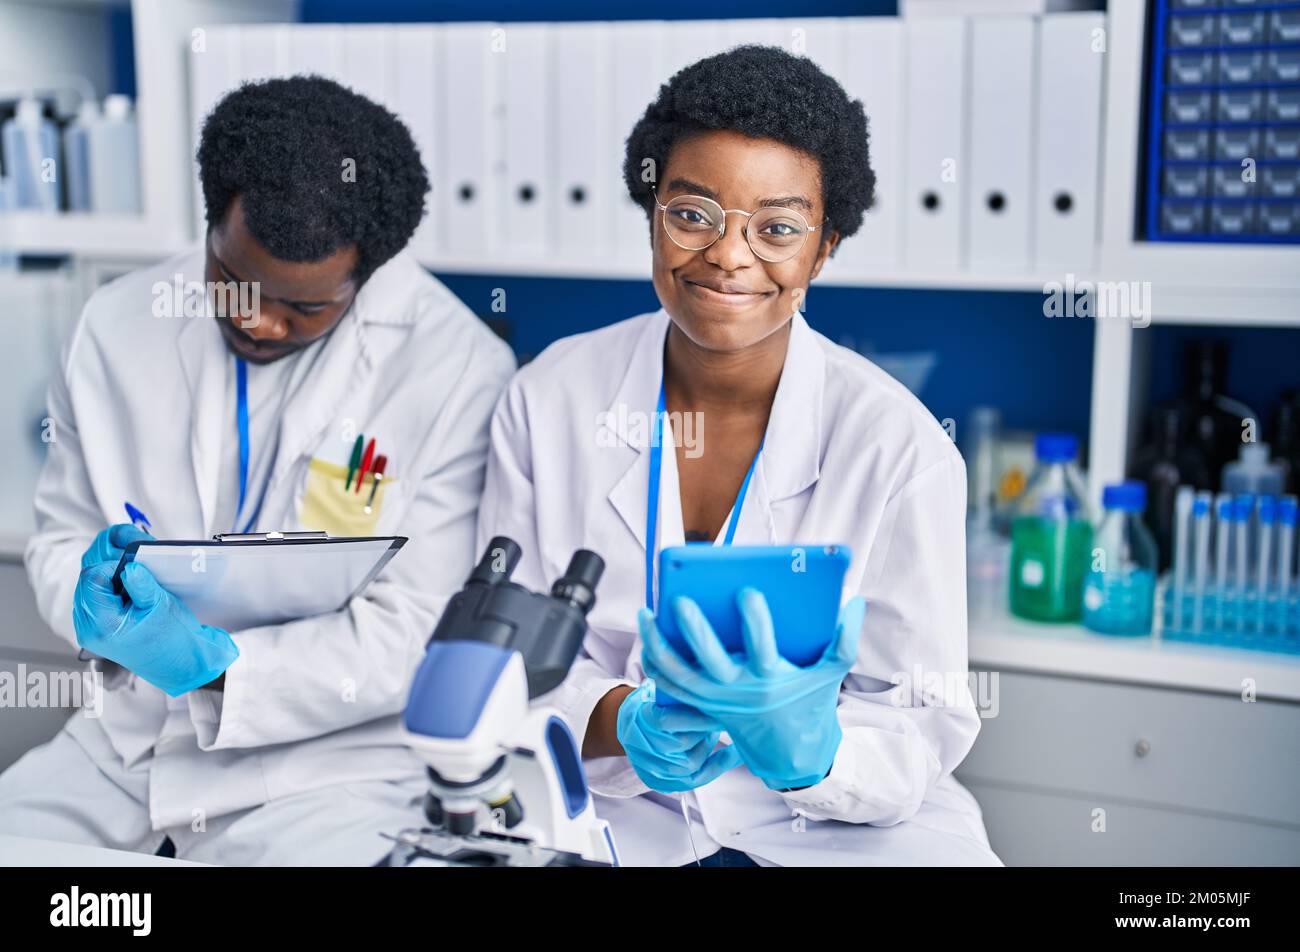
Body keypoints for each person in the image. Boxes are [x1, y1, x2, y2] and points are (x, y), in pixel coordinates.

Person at [476, 46, 1001, 866]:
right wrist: (622, 719)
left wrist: (812, 750)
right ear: (652, 213)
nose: (728, 254)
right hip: (616, 812)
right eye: (693, 215)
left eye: (778, 229)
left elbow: (918, 718)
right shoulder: (549, 400)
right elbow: (500, 654)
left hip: (837, 831)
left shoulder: (898, 447)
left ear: (823, 249)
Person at [0, 77, 515, 864]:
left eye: (306, 307)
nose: (258, 319)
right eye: (236, 282)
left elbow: (416, 628)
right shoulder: (115, 323)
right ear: (213, 226)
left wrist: (213, 669)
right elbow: (62, 533)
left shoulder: (456, 369)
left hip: (321, 763)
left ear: (366, 274)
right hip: (127, 735)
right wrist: (91, 601)